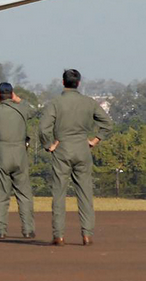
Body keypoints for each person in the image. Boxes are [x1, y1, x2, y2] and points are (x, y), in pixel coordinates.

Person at [39, 69, 114, 246]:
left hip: (62, 149)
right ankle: (87, 234)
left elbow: (43, 128)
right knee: (85, 193)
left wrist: (48, 145)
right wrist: (95, 140)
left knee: (59, 193)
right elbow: (108, 124)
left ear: (63, 82)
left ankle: (59, 235)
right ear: (78, 83)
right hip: (82, 148)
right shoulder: (89, 102)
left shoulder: (55, 103)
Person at [0, 82, 37, 240]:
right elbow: (34, 110)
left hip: (2, 154)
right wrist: (18, 99)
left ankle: (1, 229)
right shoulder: (22, 109)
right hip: (20, 153)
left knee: (1, 194)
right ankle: (28, 229)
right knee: (24, 194)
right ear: (11, 94)